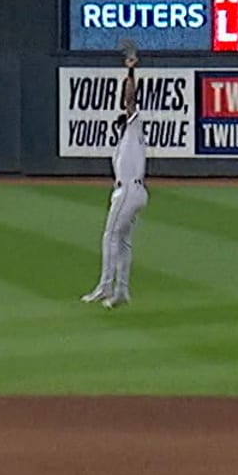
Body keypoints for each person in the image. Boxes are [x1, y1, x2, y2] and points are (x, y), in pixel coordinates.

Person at [81, 44, 148, 309]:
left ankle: (104, 287)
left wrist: (129, 71)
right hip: (136, 191)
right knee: (123, 241)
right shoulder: (126, 141)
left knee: (110, 236)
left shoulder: (133, 130)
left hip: (128, 191)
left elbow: (129, 101)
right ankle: (121, 291)